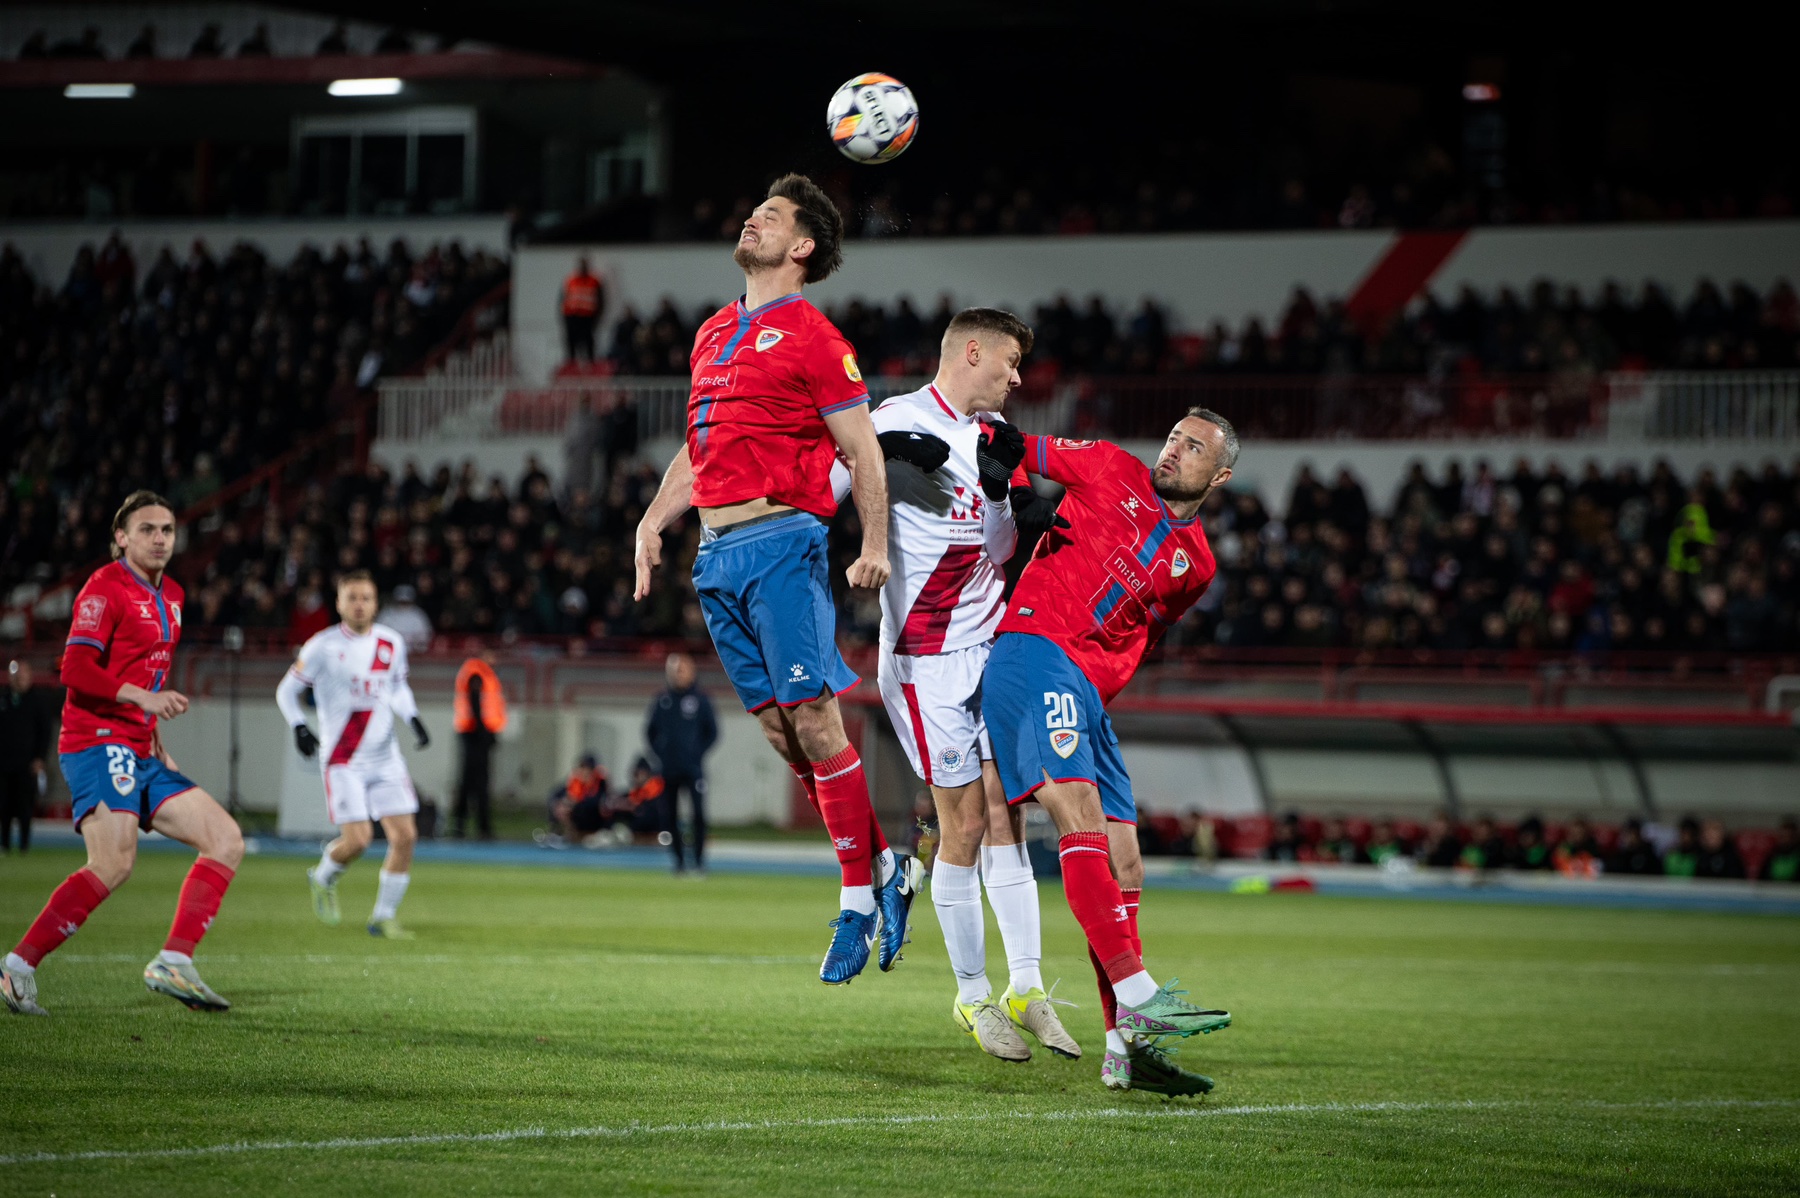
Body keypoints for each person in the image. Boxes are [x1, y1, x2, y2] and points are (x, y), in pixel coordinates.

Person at [633, 173, 921, 985]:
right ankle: (888, 868)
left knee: (814, 715)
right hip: (717, 553)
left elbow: (862, 451)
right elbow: (700, 447)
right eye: (752, 207)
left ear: (802, 247)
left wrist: (873, 544)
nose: (750, 217)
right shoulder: (712, 333)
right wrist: (655, 519)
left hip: (785, 538)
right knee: (778, 730)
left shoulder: (816, 338)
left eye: (770, 214)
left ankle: (858, 897)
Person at [829, 307, 1078, 1062]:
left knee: (1013, 818)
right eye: (1008, 364)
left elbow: (998, 549)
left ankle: (1027, 988)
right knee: (964, 825)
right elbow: (824, 491)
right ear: (973, 352)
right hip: (925, 657)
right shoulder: (891, 420)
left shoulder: (995, 437)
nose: (1015, 378)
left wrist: (1005, 493)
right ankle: (972, 997)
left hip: (989, 646)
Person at [981, 410, 1240, 1096]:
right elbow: (1009, 445)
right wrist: (1006, 478)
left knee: (1126, 863)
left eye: (1192, 447)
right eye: (1173, 436)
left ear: (1220, 476)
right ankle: (1141, 995)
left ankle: (1125, 1051)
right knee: (1080, 818)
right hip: (1036, 651)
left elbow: (1136, 638)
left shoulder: (1198, 567)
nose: (1172, 449)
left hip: (1088, 695)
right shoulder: (1106, 465)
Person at [3, 492, 245, 1016]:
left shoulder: (174, 594)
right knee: (113, 863)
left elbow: (148, 671)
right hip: (95, 740)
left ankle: (174, 960)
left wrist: (153, 728)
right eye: (148, 529)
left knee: (225, 840)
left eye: (168, 530)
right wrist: (142, 700)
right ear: (122, 537)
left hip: (140, 745)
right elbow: (75, 669)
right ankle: (17, 967)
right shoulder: (103, 587)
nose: (160, 538)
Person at [276, 570, 431, 938]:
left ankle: (383, 916)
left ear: (376, 603)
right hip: (344, 758)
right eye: (353, 598)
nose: (360, 605)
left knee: (405, 837)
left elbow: (396, 686)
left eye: (366, 598)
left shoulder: (391, 642)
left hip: (385, 757)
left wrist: (413, 717)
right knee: (359, 840)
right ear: (340, 603)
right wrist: (299, 725)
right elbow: (286, 691)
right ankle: (323, 876)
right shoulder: (322, 646)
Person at [645, 653, 718, 874]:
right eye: (673, 670)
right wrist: (662, 754)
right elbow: (650, 732)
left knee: (698, 815)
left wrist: (697, 754)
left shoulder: (701, 700)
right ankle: (678, 862)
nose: (677, 674)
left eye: (681, 669)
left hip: (693, 769)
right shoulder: (662, 700)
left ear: (691, 671)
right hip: (668, 768)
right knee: (669, 816)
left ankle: (698, 861)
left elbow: (712, 733)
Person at [451, 651, 506, 839]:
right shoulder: (477, 672)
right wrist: (484, 733)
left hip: (474, 733)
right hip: (475, 734)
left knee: (471, 781)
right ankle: (480, 826)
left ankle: (464, 824)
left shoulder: (479, 672)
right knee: (477, 782)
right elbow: (476, 704)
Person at [1, 659, 50, 853]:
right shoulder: (3, 699)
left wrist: (40, 758)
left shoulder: (37, 701)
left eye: (23, 675)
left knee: (25, 806)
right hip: (3, 763)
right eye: (16, 675)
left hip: (27, 764)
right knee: (3, 805)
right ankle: (4, 844)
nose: (20, 679)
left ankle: (24, 845)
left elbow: (45, 732)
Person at [561, 256, 603, 365]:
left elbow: (601, 301)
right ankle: (572, 364)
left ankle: (590, 364)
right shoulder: (570, 280)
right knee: (571, 342)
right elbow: (563, 299)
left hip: (587, 317)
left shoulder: (594, 281)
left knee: (588, 342)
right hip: (572, 316)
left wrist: (596, 318)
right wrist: (566, 318)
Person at [380, 584, 433, 652]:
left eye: (406, 602)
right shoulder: (386, 615)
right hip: (390, 652)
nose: (403, 605)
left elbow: (425, 638)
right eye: (401, 602)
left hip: (414, 657)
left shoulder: (419, 616)